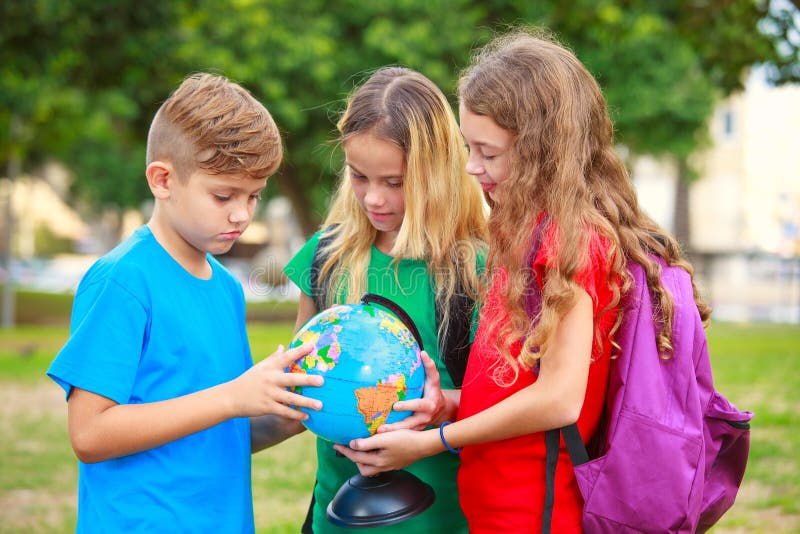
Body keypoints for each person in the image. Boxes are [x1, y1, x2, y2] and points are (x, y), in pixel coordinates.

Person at [335, 28, 713, 533]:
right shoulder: (525, 232)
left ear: (541, 151)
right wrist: (447, 405)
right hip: (498, 508)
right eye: (469, 147)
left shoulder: (568, 242)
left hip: (537, 514)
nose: (471, 167)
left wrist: (431, 443)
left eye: (488, 153)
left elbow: (559, 398)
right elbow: (515, 384)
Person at [47, 73, 324, 533]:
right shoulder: (124, 280)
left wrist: (283, 416)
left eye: (254, 196)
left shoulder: (227, 289)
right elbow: (89, 434)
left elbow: (217, 432)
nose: (242, 214)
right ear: (163, 180)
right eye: (223, 195)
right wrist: (232, 397)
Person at [283, 66, 488, 533]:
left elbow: (508, 407)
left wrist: (444, 406)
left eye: (394, 182)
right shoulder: (325, 258)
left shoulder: (476, 269)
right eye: (359, 176)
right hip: (336, 519)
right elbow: (299, 387)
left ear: (436, 174)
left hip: (443, 522)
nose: (373, 198)